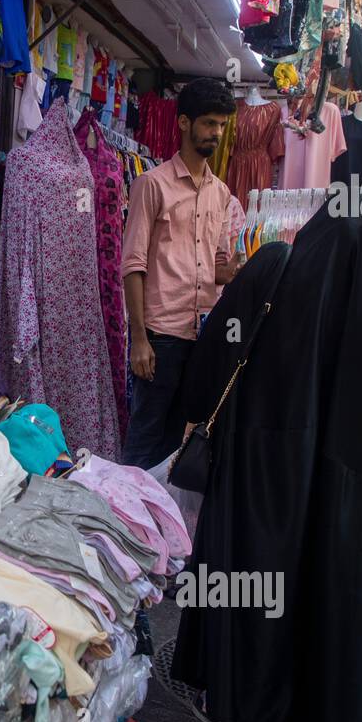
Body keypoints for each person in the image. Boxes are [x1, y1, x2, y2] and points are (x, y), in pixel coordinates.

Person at [120, 77, 238, 469]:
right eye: (208, 123)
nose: (216, 133)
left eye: (221, 125)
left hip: (201, 334)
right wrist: (139, 339)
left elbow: (216, 269)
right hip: (161, 337)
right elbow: (132, 264)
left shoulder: (221, 194)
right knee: (145, 437)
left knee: (176, 441)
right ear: (184, 123)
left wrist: (243, 270)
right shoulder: (151, 185)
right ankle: (125, 524)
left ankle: (160, 523)